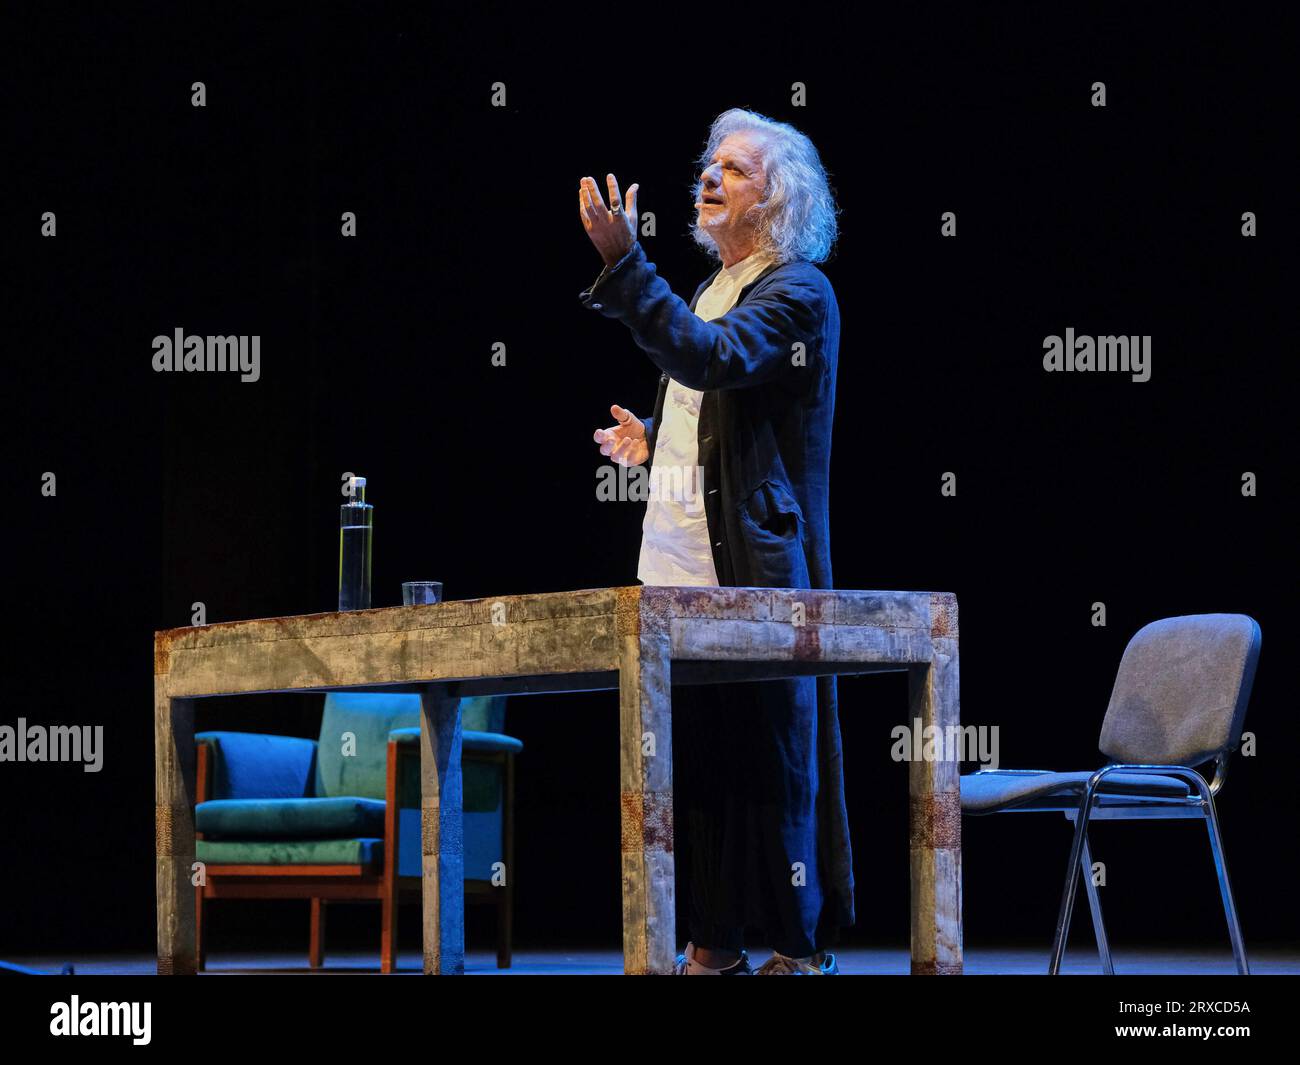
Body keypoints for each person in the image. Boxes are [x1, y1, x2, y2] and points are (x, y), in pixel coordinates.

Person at [580, 108, 852, 975]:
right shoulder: (712, 290)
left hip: (756, 566)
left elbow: (714, 359)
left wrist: (627, 265)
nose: (708, 177)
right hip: (677, 567)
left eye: (731, 169)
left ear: (773, 200)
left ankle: (799, 948)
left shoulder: (799, 289)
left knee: (771, 756)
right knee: (699, 763)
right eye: (708, 163)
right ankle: (713, 940)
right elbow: (712, 400)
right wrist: (654, 440)